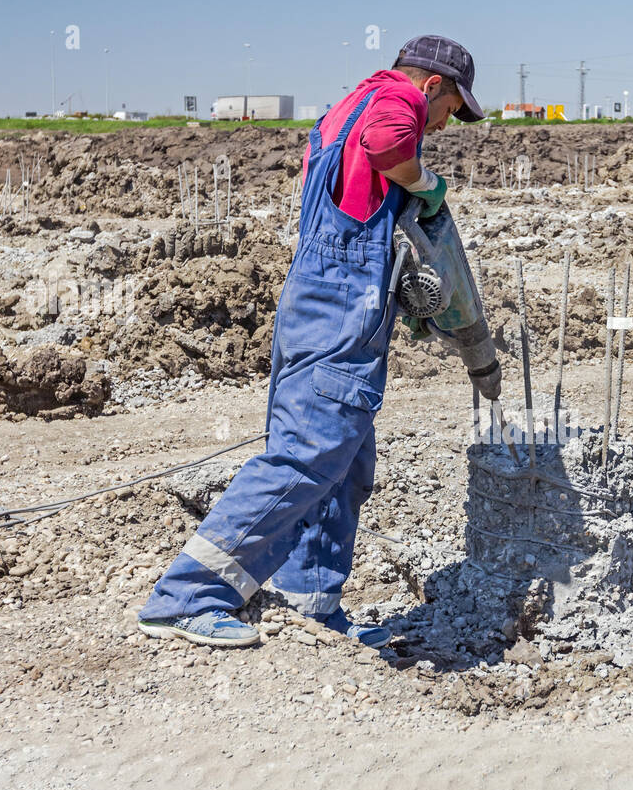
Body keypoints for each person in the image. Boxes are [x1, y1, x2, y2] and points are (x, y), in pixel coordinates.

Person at [138, 35, 489, 647]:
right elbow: (386, 147)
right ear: (433, 85)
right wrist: (425, 180)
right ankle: (187, 595)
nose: (447, 122)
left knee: (346, 462)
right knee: (307, 452)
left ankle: (312, 601)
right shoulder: (398, 98)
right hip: (339, 302)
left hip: (322, 289)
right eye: (452, 109)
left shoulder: (345, 104)